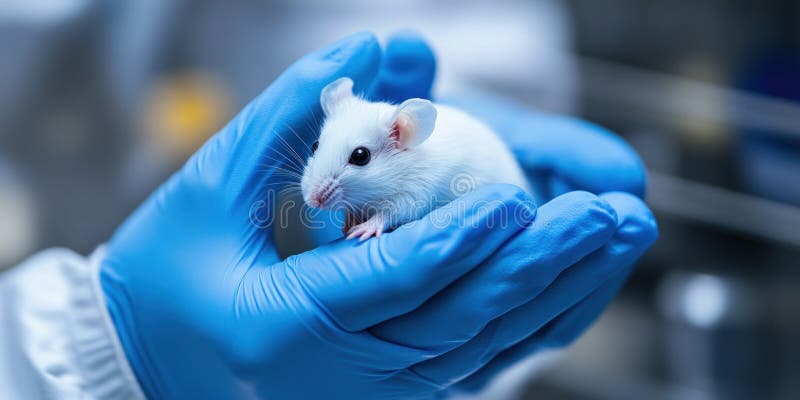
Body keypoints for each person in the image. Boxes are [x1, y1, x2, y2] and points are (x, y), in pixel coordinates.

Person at [0, 32, 657, 399]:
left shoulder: (419, 150)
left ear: (406, 133)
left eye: (361, 156)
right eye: (321, 152)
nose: (321, 181)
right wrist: (127, 350)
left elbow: (415, 191)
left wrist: (380, 218)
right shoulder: (358, 146)